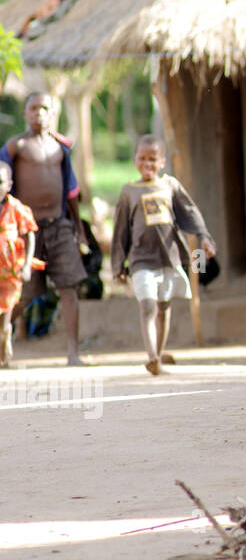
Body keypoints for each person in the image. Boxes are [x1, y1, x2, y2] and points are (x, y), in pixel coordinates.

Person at [110, 136, 217, 375]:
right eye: (142, 158)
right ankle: (152, 357)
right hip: (140, 259)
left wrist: (204, 237)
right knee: (147, 305)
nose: (147, 163)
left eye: (152, 159)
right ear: (135, 159)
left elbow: (190, 212)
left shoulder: (170, 186)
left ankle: (158, 353)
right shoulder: (129, 191)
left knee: (163, 307)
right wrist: (118, 264)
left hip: (168, 257)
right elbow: (120, 230)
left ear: (162, 162)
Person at [2, 92, 86, 365]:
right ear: (25, 113)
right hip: (25, 231)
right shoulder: (17, 146)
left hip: (59, 225)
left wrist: (79, 228)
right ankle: (5, 336)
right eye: (33, 108)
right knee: (22, 293)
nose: (39, 113)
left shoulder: (61, 148)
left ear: (52, 113)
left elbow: (72, 191)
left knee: (69, 286)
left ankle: (73, 352)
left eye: (44, 108)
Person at [0, 162, 39, 367]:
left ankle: (6, 335)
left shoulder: (16, 208)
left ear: (8, 185)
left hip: (10, 269)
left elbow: (30, 233)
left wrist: (26, 266)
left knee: (7, 307)